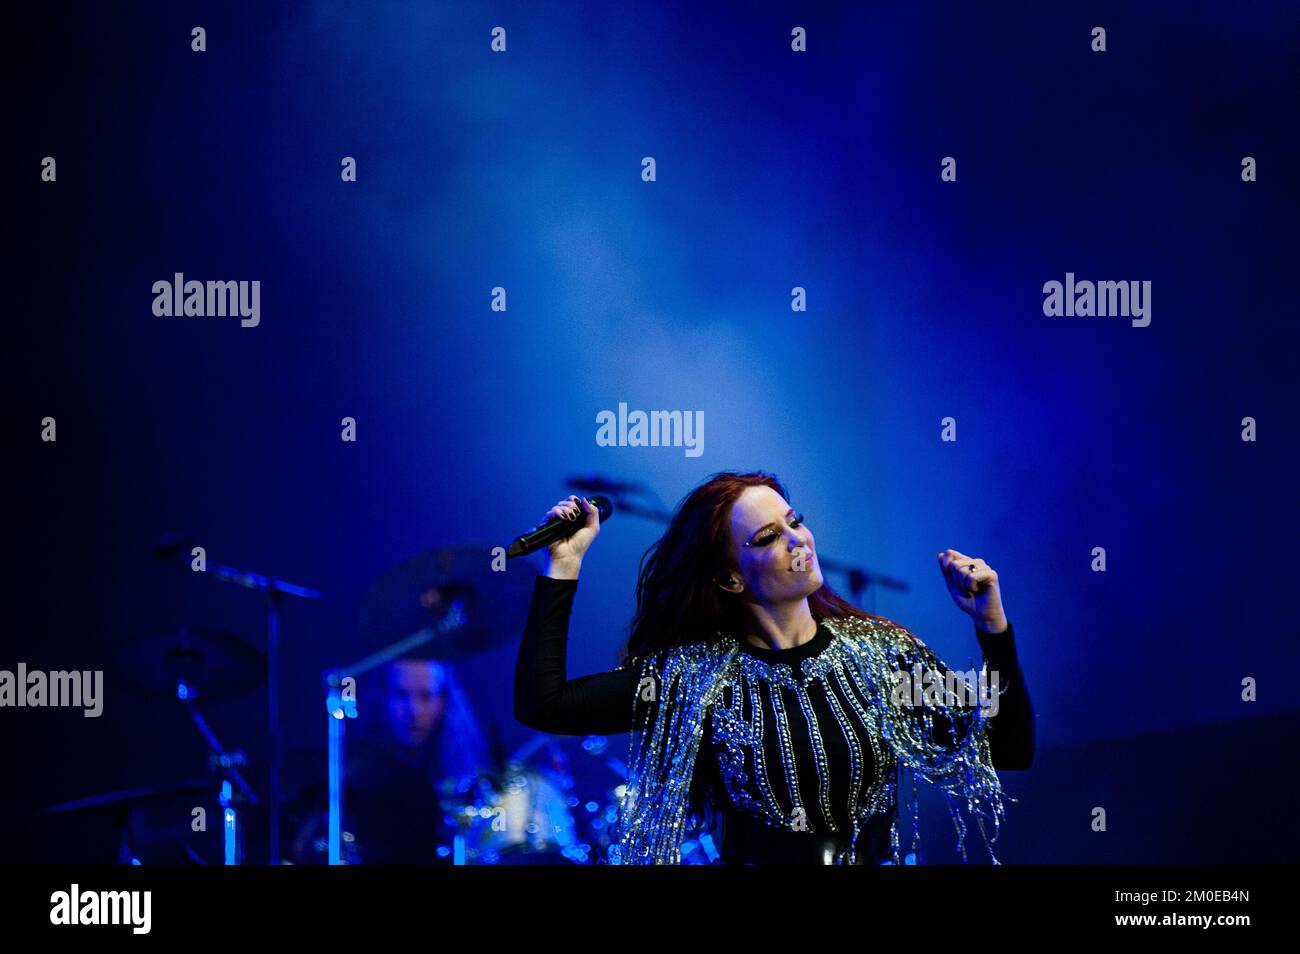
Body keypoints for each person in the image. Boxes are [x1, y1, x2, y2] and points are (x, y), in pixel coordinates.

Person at [514, 471, 1035, 864]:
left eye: (795, 522)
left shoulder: (880, 655)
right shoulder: (695, 680)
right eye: (767, 538)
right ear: (731, 579)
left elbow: (1010, 748)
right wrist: (562, 567)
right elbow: (545, 703)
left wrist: (993, 626)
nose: (798, 541)